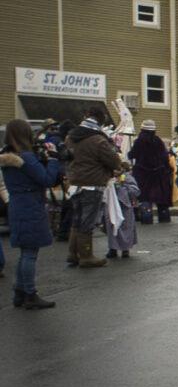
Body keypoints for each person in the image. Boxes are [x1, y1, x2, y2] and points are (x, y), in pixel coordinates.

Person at [1, 119, 61, 309]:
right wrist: (52, 159)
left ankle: (20, 292)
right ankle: (30, 294)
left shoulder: (6, 156)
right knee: (30, 253)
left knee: (24, 251)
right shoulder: (26, 157)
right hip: (31, 205)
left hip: (17, 204)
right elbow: (47, 179)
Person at [65, 107, 122, 268]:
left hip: (75, 183)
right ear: (100, 121)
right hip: (92, 183)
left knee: (76, 219)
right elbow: (113, 161)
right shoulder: (98, 140)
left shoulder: (71, 137)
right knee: (87, 221)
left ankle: (72, 253)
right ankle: (86, 255)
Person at [129, 120, 173, 224]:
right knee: (161, 197)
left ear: (142, 129)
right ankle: (164, 217)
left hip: (143, 173)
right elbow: (165, 156)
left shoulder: (139, 141)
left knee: (145, 197)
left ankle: (147, 218)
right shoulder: (158, 140)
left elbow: (132, 154)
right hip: (159, 173)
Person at [104, 169, 139, 259]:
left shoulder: (127, 177)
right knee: (112, 226)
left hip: (125, 206)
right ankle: (113, 249)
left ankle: (125, 249)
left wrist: (123, 186)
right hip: (111, 206)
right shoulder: (106, 177)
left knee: (126, 227)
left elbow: (135, 191)